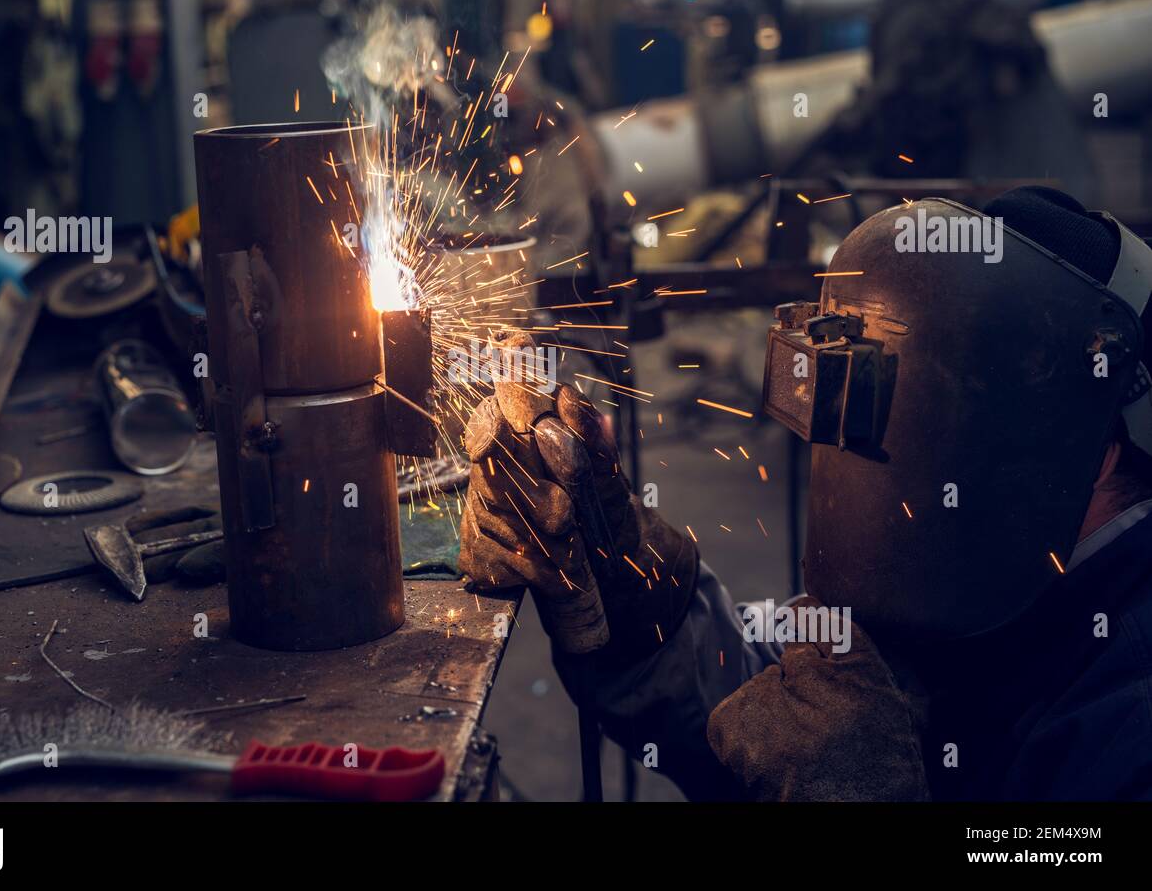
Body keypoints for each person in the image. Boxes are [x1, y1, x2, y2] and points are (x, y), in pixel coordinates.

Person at [459, 187, 1152, 800]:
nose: (903, 492)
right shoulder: (973, 584)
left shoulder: (1126, 712)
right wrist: (638, 597)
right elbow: (783, 712)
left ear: (1085, 451)